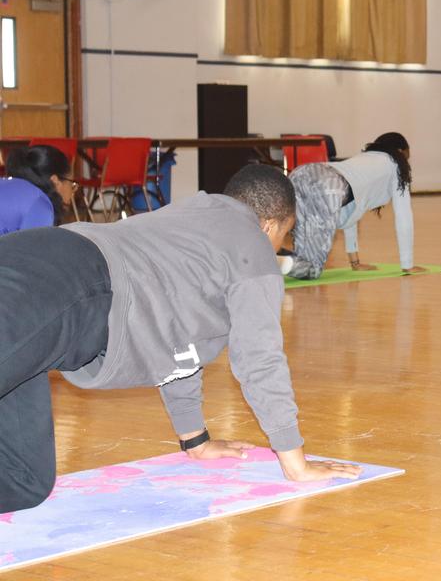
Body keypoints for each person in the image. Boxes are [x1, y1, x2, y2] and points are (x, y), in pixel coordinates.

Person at [0, 164, 360, 515]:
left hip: (39, 259)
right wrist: (296, 463)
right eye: (285, 234)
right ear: (269, 225)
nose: (279, 247)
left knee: (25, 479)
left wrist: (195, 440)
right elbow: (260, 360)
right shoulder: (253, 246)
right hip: (67, 284)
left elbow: (181, 343)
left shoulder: (194, 217)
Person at [286, 132, 417, 279]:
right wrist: (408, 264)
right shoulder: (397, 167)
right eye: (407, 155)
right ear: (400, 151)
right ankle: (276, 261)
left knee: (302, 257)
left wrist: (355, 263)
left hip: (303, 172)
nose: (407, 160)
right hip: (327, 183)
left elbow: (351, 213)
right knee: (311, 271)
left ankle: (271, 257)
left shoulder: (363, 159)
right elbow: (404, 216)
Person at [1, 144, 76, 232]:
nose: (73, 191)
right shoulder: (38, 205)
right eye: (72, 184)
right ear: (55, 181)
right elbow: (35, 241)